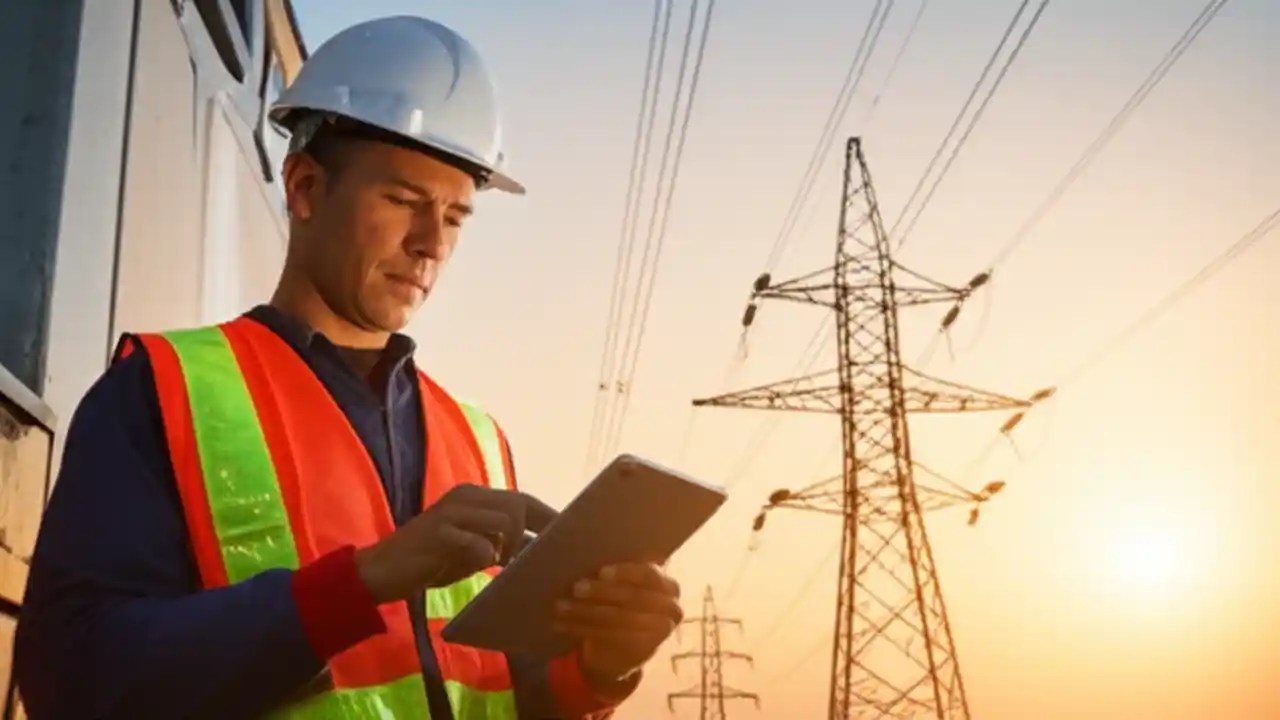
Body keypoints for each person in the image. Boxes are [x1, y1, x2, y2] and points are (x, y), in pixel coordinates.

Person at [13, 15, 681, 719]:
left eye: (455, 217)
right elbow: (73, 680)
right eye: (403, 201)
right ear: (303, 188)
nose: (430, 245)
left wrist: (601, 670)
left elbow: (501, 697)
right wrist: (359, 584)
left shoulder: (479, 441)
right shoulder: (162, 391)